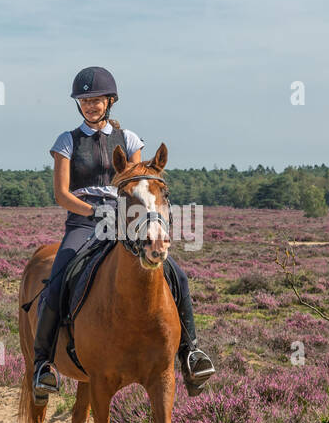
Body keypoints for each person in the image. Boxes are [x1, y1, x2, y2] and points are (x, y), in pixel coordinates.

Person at [31, 67, 215, 401]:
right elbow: (61, 194)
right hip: (83, 222)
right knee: (56, 281)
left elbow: (138, 181)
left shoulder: (129, 139)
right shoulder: (66, 142)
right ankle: (43, 365)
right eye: (84, 100)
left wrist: (126, 214)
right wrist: (93, 210)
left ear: (110, 101)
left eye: (97, 99)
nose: (91, 105)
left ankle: (191, 353)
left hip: (125, 221)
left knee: (177, 275)